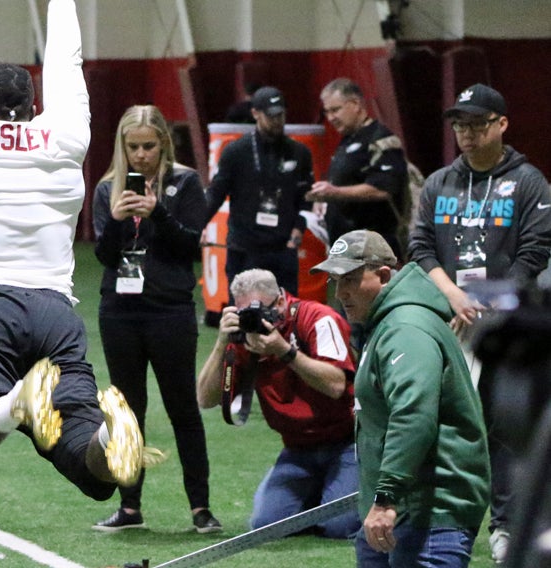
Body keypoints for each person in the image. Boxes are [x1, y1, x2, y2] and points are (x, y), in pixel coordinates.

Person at [0, 0, 163, 504]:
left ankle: (14, 403)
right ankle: (110, 436)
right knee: (95, 477)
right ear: (35, 105)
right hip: (55, 313)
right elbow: (68, 58)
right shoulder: (66, 136)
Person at [407, 83, 551, 563]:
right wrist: (452, 295)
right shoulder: (438, 183)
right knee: (449, 426)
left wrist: (493, 302)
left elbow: (535, 249)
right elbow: (421, 245)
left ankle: (508, 526)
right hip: (449, 320)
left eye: (476, 124)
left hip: (503, 324)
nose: (466, 134)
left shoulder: (528, 182)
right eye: (459, 126)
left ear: (502, 124)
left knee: (507, 430)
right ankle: (442, 520)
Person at [310, 230, 490, 567]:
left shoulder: (405, 327)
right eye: (336, 281)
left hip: (426, 510)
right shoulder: (386, 323)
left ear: (383, 275)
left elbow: (413, 415)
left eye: (350, 279)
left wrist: (385, 497)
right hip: (402, 507)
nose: (342, 293)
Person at [90, 105, 221, 533]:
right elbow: (105, 257)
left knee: (183, 407)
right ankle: (130, 507)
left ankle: (200, 508)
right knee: (128, 411)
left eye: (148, 146)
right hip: (120, 312)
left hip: (169, 311)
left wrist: (156, 212)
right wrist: (117, 220)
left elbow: (188, 245)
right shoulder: (108, 187)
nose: (141, 155)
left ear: (163, 143)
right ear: (122, 147)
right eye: (133, 147)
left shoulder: (184, 183)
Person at [196, 269, 359, 539]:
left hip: (346, 442)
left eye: (260, 311)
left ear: (281, 302)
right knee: (265, 525)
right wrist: (223, 340)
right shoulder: (247, 335)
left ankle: (351, 490)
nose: (254, 319)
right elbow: (205, 398)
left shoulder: (318, 318)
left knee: (339, 527)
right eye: (244, 312)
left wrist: (285, 351)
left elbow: (336, 385)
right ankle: (322, 495)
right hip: (297, 449)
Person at [205, 86, 314, 296]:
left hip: (283, 248)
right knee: (242, 316)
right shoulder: (236, 152)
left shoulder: (300, 153)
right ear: (255, 113)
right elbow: (216, 194)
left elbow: (306, 198)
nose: (277, 121)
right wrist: (197, 224)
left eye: (281, 115)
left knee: (285, 315)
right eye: (271, 116)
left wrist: (297, 232)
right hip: (245, 249)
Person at [307, 78, 410, 258]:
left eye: (335, 110)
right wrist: (323, 199)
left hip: (374, 249)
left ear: (355, 104)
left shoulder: (380, 138)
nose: (330, 118)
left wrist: (335, 192)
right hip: (345, 248)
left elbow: (383, 189)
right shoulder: (348, 139)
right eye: (327, 112)